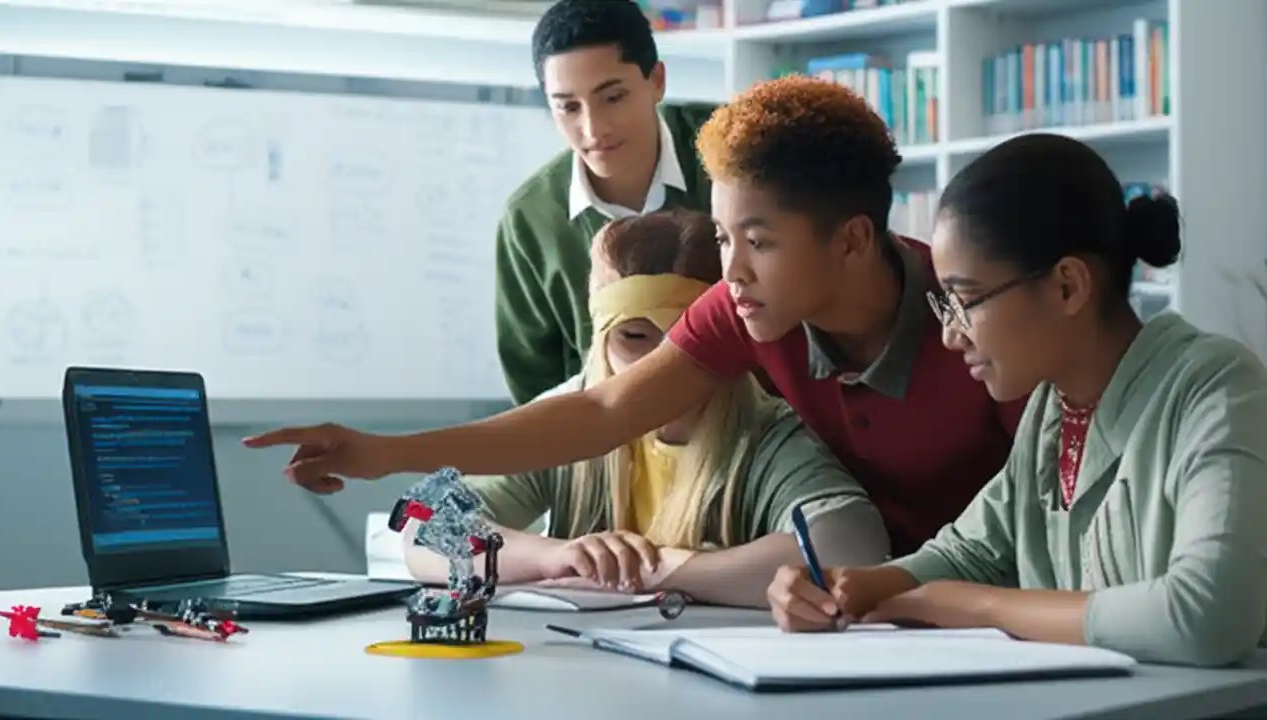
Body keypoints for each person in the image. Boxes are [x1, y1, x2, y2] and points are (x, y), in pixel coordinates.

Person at [244, 76, 1024, 559]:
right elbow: (601, 411)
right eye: (722, 238)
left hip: (979, 600)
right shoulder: (747, 306)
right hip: (865, 612)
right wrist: (381, 453)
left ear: (853, 239)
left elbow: (1043, 510)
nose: (733, 270)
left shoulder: (978, 323)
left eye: (759, 241)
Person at [764, 133, 1267, 668]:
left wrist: (983, 607)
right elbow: (972, 551)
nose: (952, 336)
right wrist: (855, 587)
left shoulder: (1215, 388)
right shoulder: (1052, 410)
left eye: (969, 300)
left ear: (1068, 287)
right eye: (945, 304)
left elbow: (1209, 615)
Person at [405, 209, 890, 606]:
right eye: (635, 336)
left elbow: (854, 552)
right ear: (599, 335)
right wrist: (558, 557)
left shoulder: (765, 437)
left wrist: (659, 568)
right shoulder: (567, 423)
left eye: (691, 342)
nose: (662, 365)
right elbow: (422, 528)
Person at [497, 0, 717, 404]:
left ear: (657, 81)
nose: (593, 128)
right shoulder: (529, 220)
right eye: (568, 107)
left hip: (749, 427)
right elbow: (535, 389)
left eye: (612, 97)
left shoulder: (730, 154)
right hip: (607, 447)